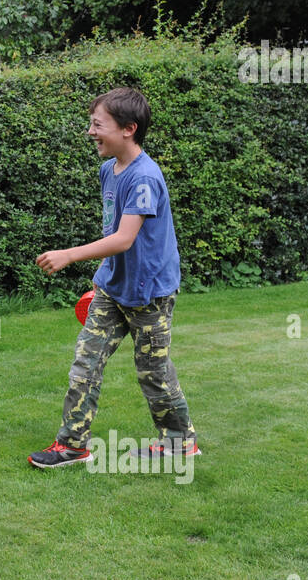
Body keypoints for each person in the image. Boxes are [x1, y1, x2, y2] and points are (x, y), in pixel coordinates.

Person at [30, 87, 197, 467]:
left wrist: (68, 255)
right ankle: (72, 445)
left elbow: (124, 239)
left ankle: (179, 442)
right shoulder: (110, 169)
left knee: (153, 372)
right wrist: (100, 274)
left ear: (128, 129)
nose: (90, 131)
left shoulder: (144, 178)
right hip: (112, 289)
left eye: (97, 124)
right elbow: (112, 229)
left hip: (150, 292)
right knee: (85, 364)